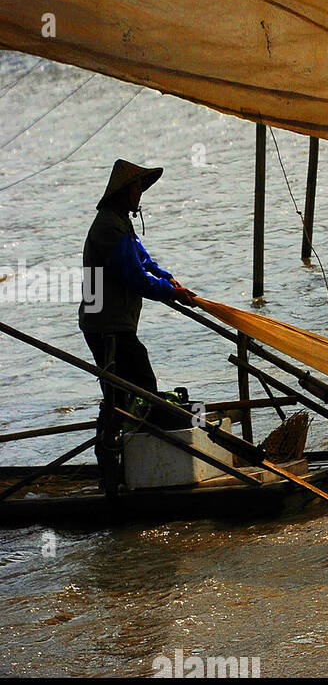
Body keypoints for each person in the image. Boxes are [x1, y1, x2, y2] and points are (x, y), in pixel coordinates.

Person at [80, 159, 198, 494]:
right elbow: (135, 276)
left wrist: (169, 279)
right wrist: (169, 292)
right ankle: (116, 471)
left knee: (125, 392)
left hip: (115, 323)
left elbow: (144, 262)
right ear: (123, 193)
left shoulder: (120, 224)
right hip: (105, 325)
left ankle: (125, 466)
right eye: (136, 189)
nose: (139, 194)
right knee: (135, 388)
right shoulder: (108, 228)